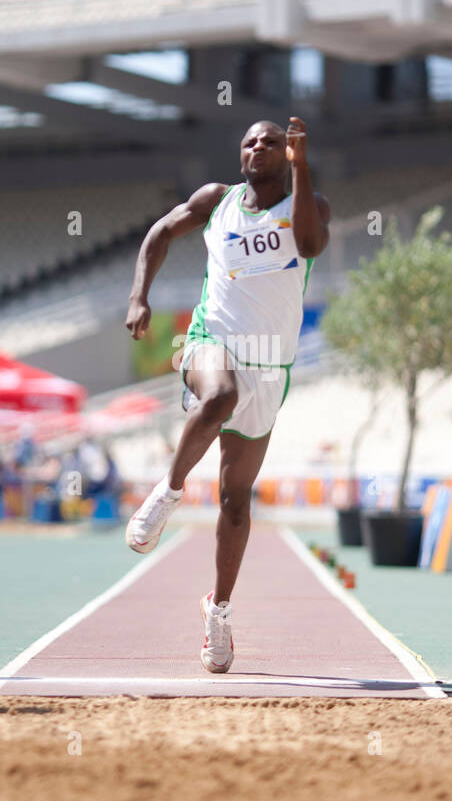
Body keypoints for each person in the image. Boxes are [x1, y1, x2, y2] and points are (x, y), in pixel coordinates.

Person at [125, 116, 330, 673]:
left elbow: (309, 243)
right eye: (249, 140)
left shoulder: (306, 206)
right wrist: (139, 296)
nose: (258, 145)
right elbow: (160, 233)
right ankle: (166, 493)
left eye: (270, 140)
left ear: (286, 153)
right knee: (217, 397)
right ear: (239, 155)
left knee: (236, 501)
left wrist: (302, 167)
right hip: (210, 340)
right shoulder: (217, 201)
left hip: (271, 365)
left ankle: (218, 611)